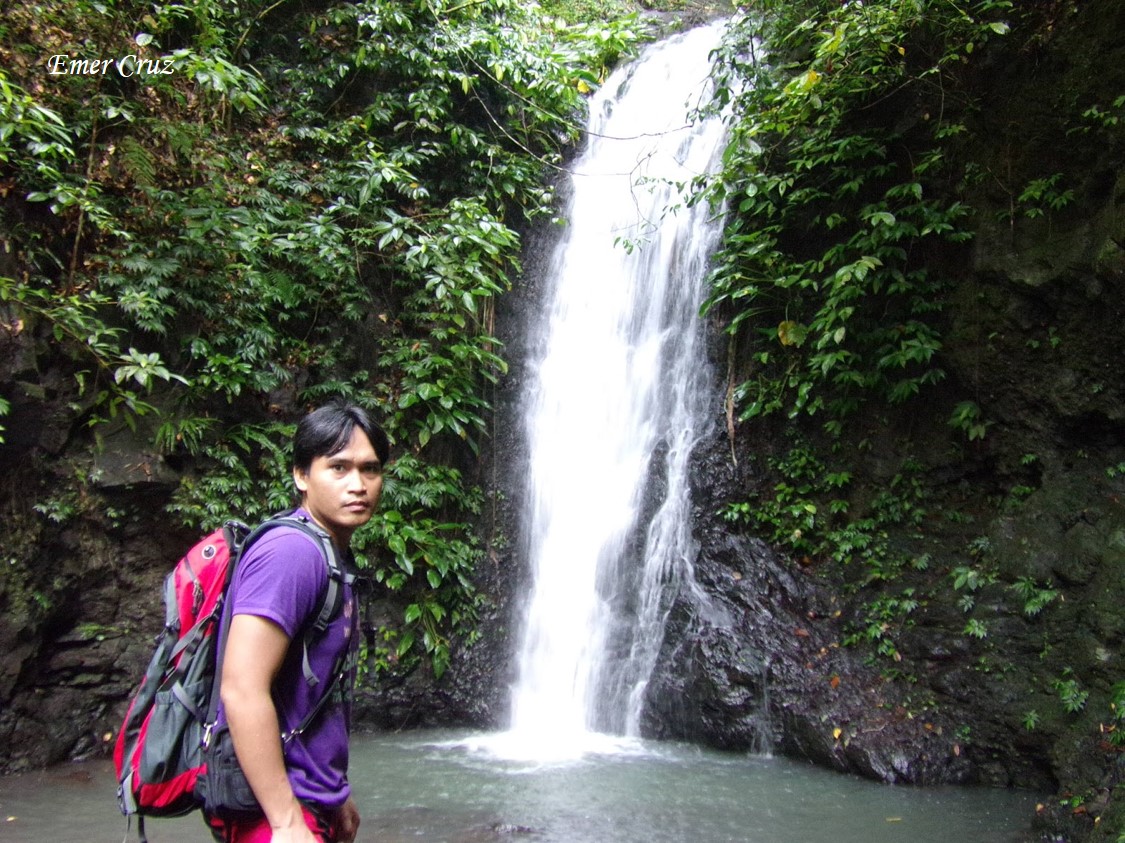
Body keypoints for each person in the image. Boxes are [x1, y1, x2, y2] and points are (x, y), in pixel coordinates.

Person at [205, 400, 389, 843]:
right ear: (301, 476)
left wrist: (333, 794)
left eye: (370, 469)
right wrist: (286, 819)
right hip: (272, 815)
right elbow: (241, 687)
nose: (358, 485)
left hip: (305, 801)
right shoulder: (292, 554)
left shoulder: (330, 556)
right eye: (339, 468)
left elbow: (306, 699)